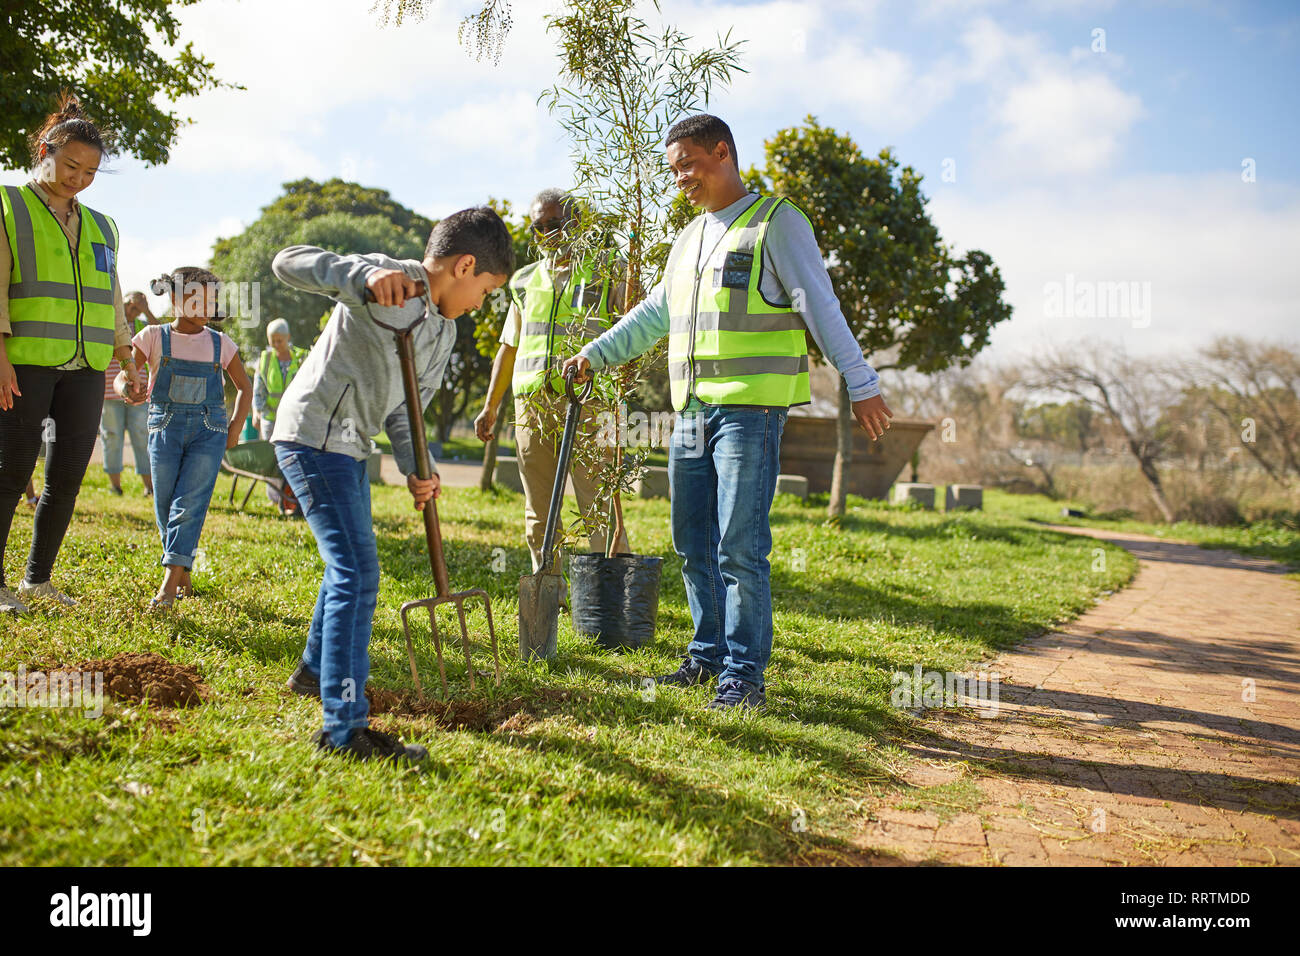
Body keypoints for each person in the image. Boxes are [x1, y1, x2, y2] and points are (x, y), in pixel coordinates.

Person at [563, 114, 894, 711]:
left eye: (688, 163)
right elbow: (654, 315)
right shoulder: (689, 239)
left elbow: (820, 304)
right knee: (692, 542)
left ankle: (744, 677)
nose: (681, 179)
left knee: (739, 545)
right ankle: (706, 656)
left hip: (751, 412)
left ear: (723, 153)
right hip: (691, 412)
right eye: (673, 170)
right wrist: (595, 353)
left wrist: (861, 381)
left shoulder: (776, 223)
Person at [269, 206, 514, 764]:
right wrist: (361, 277)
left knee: (347, 566)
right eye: (486, 289)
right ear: (464, 265)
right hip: (310, 437)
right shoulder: (384, 274)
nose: (483, 302)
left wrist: (415, 465)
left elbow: (407, 410)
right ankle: (343, 731)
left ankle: (313, 671)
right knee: (357, 571)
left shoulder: (444, 331)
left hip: (352, 448)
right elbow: (288, 262)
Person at [0, 95, 146, 616]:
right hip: (24, 363)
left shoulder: (104, 227)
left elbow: (112, 297)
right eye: (69, 166)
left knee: (66, 477)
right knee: (11, 473)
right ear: (45, 150)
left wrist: (126, 358)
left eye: (89, 172)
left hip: (86, 368)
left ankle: (37, 579)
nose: (78, 179)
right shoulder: (8, 205)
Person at [474, 188, 630, 572]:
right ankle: (548, 586)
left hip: (591, 402)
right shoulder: (525, 281)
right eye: (538, 228)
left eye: (555, 224)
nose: (547, 234)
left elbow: (634, 320)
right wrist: (490, 405)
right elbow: (509, 347)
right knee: (539, 505)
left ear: (578, 225)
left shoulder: (608, 268)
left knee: (597, 502)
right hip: (532, 406)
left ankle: (609, 590)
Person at [118, 267, 252, 610]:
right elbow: (125, 375)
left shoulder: (220, 343)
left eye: (210, 299)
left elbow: (244, 388)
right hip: (164, 430)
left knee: (188, 505)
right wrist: (127, 388)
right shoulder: (152, 336)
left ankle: (167, 587)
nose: (205, 305)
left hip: (209, 434)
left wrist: (235, 428)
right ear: (175, 299)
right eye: (196, 298)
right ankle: (182, 573)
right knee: (165, 506)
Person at [99, 291, 156, 497]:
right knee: (111, 438)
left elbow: (164, 337)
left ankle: (149, 487)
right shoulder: (109, 323)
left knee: (142, 438)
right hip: (108, 393)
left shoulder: (144, 327)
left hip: (139, 395)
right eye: (130, 306)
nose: (133, 311)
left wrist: (146, 311)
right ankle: (115, 486)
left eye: (137, 308)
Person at [252, 318, 307, 509]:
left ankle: (292, 497)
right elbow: (258, 389)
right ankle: (275, 498)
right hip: (271, 418)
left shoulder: (301, 358)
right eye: (272, 340)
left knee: (292, 458)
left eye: (279, 341)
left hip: (294, 420)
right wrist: (257, 412)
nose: (276, 344)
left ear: (288, 338)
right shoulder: (265, 359)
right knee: (271, 460)